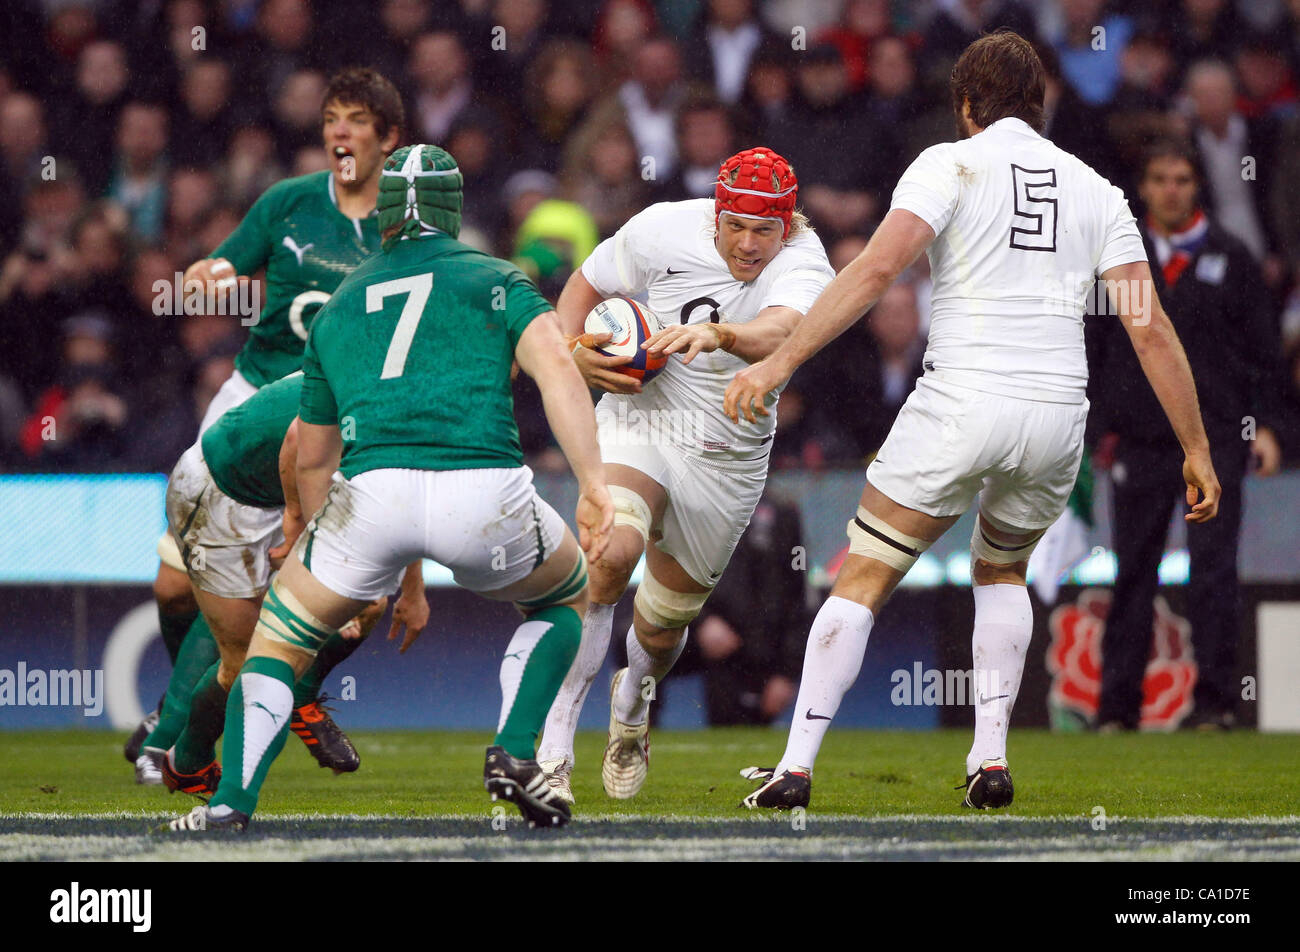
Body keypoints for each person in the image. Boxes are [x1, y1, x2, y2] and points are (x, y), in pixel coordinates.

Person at [725, 31, 1220, 811]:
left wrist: (778, 363)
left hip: (963, 400)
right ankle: (989, 759)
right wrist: (1197, 445)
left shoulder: (948, 163)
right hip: (1057, 417)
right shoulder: (1098, 191)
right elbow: (1148, 326)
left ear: (965, 107)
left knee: (864, 573)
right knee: (1001, 570)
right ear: (1041, 102)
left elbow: (879, 269)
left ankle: (796, 764)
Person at [165, 144, 613, 832]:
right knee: (563, 597)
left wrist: (317, 541)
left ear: (384, 218)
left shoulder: (341, 302)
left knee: (276, 647)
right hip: (485, 491)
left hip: (371, 497)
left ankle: (231, 801)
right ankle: (516, 752)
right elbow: (556, 371)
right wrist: (592, 483)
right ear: (453, 211)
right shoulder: (495, 276)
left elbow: (310, 455)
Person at [535, 146, 834, 803]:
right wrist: (573, 359)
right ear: (716, 215)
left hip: (725, 456)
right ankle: (553, 747)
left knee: (662, 628)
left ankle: (632, 709)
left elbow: (781, 329)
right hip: (643, 419)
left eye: (766, 230)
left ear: (787, 225)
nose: (750, 244)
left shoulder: (807, 262)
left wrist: (722, 335)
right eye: (737, 227)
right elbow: (584, 285)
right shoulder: (662, 226)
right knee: (608, 557)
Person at [130, 68, 405, 776]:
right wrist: (206, 274)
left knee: (346, 589)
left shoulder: (404, 224)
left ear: (389, 138)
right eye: (331, 120)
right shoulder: (287, 203)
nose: (339, 133)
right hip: (255, 399)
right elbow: (222, 263)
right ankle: (179, 703)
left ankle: (285, 695)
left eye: (356, 121)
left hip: (337, 418)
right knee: (171, 585)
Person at [137, 372, 427, 798]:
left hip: (286, 487)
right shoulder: (389, 380)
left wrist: (415, 590)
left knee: (371, 600)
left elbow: (412, 486)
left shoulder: (421, 387)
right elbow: (297, 438)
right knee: (242, 668)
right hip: (226, 494)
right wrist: (296, 532)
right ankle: (188, 762)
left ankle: (302, 697)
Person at [1091, 139, 1284, 732]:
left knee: (1213, 572)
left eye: (1181, 178)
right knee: (1132, 575)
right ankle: (1118, 710)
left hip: (1219, 438)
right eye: (1160, 179)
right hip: (1140, 440)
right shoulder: (1122, 260)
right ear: (1143, 188)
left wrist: (1270, 426)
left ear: (1197, 184)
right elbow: (1100, 351)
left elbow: (1265, 355)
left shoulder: (1234, 257)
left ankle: (1216, 704)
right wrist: (1097, 426)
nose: (1171, 189)